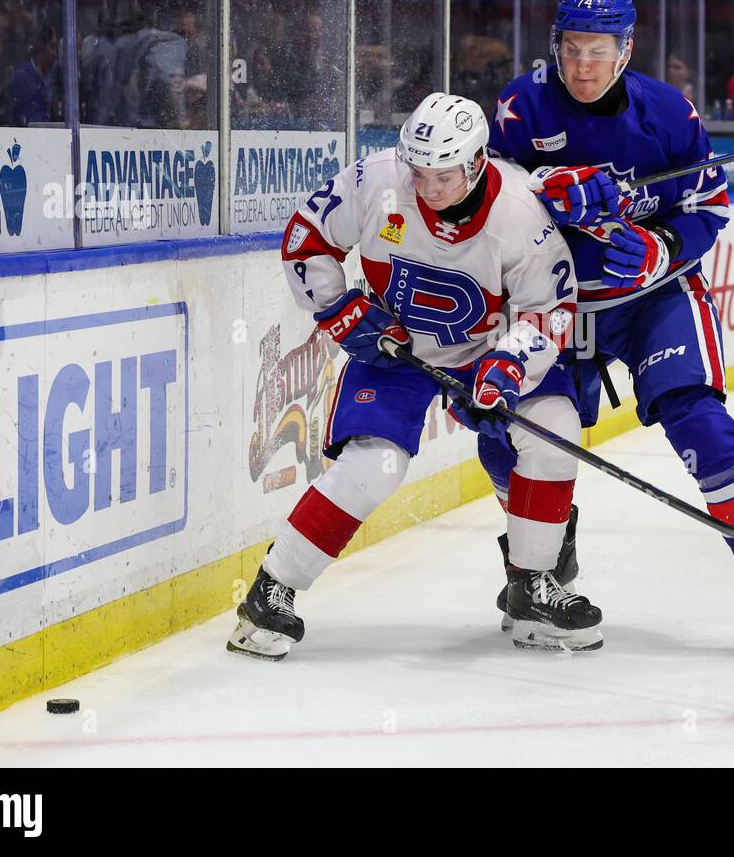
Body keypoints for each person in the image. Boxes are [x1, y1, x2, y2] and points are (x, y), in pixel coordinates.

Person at [486, 0, 734, 660]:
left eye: (598, 50)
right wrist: (543, 193)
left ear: (627, 49)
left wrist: (659, 250)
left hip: (652, 298)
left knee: (703, 426)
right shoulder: (519, 108)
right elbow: (481, 208)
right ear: (556, 46)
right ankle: (536, 563)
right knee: (508, 430)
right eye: (571, 49)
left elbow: (707, 209)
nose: (582, 66)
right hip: (556, 305)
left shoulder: (669, 116)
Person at [228, 92, 599, 659]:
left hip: (487, 347)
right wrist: (340, 311)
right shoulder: (377, 180)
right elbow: (308, 236)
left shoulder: (521, 211)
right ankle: (270, 592)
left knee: (555, 432)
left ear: (476, 163)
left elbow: (546, 311)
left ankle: (531, 586)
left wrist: (506, 370)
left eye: (444, 176)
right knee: (375, 465)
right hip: (396, 348)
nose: (427, 188)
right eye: (418, 171)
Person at [7, 23, 59, 126]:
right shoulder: (23, 76)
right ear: (41, 46)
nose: (55, 53)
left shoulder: (52, 76)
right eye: (52, 47)